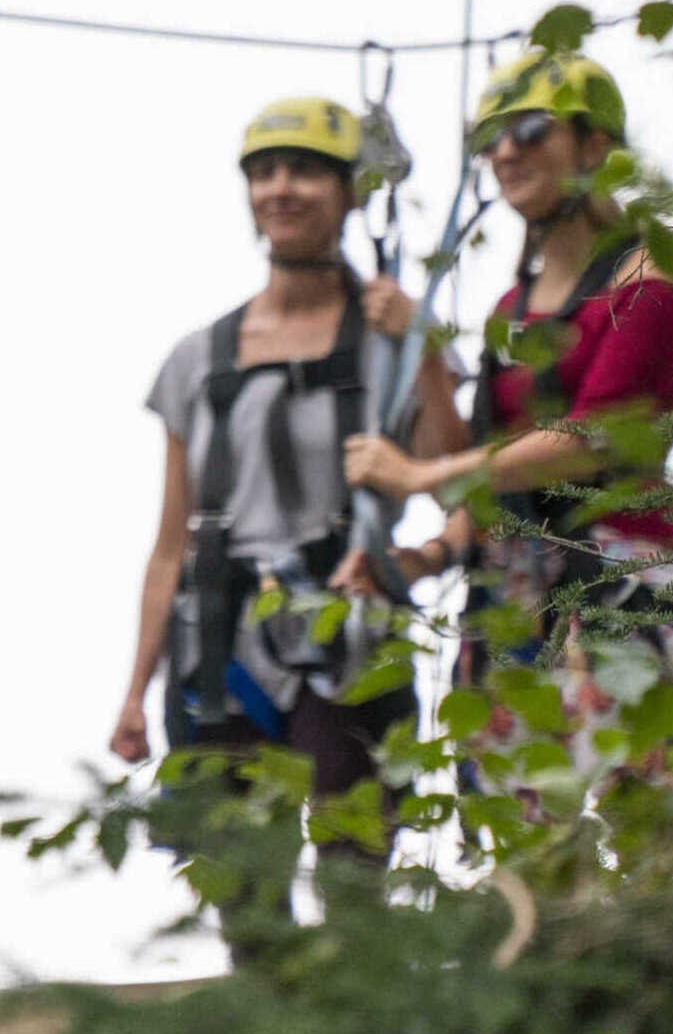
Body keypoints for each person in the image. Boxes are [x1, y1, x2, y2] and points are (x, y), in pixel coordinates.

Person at [108, 97, 469, 954]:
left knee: (354, 865)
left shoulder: (392, 338)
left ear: (349, 194)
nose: (281, 189)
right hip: (225, 633)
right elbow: (172, 541)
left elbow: (461, 477)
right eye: (264, 172)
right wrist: (132, 690)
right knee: (243, 884)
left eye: (305, 170)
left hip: (350, 620)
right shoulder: (202, 358)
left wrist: (420, 350)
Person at [339, 50, 673, 792]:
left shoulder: (655, 279)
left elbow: (590, 439)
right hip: (510, 614)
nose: (506, 151)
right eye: (492, 138)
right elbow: (483, 480)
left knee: (623, 849)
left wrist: (418, 473)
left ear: (595, 144)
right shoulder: (512, 315)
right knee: (521, 876)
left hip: (615, 593)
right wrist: (428, 361)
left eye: (531, 129)